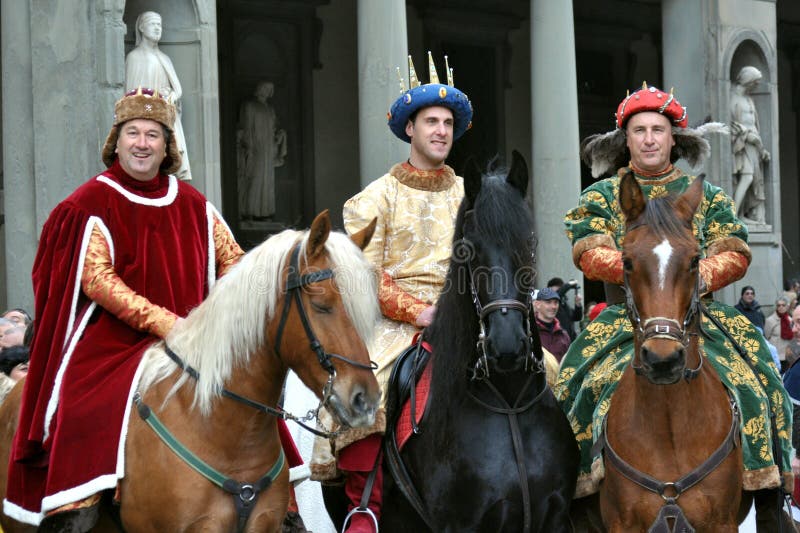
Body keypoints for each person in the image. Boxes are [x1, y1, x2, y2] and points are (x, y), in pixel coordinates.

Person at [2, 88, 304, 531]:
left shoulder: (195, 205)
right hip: (112, 342)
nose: (142, 143)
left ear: (167, 146)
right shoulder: (88, 203)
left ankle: (283, 506)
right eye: (133, 133)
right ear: (117, 141)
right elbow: (99, 280)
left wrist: (244, 303)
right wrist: (168, 324)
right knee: (86, 405)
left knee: (247, 400)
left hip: (193, 340)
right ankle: (80, 503)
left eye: (152, 135)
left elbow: (235, 266)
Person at [557, 83, 792, 521]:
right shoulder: (601, 196)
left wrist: (689, 276)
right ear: (626, 140)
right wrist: (647, 270)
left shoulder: (708, 195)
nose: (649, 139)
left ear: (673, 138)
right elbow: (588, 252)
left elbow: (735, 251)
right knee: (574, 385)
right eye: (640, 130)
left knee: (759, 382)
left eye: (658, 130)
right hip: (626, 317)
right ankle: (575, 497)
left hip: (697, 313)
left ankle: (770, 492)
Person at [315, 53, 472, 533]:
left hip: (466, 315)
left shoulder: (470, 194)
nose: (441, 131)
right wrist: (419, 312)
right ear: (410, 129)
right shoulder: (374, 197)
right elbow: (365, 274)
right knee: (366, 389)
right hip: (397, 323)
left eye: (448, 123)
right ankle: (364, 506)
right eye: (431, 122)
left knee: (541, 370)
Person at [125, 11, 191, 181]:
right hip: (147, 116)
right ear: (141, 27)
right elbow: (131, 97)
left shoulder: (164, 58)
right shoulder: (134, 58)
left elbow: (177, 89)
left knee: (168, 159)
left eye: (159, 25)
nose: (157, 28)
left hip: (166, 115)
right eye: (153, 24)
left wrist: (173, 97)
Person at [237, 80, 287, 220]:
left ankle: (265, 212)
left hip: (268, 148)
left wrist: (279, 135)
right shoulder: (249, 106)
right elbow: (246, 126)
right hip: (255, 147)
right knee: (254, 178)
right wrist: (248, 146)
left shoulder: (270, 109)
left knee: (267, 182)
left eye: (270, 89)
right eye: (265, 88)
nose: (267, 91)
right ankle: (249, 211)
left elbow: (274, 127)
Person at [730, 66, 770, 225]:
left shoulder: (748, 99)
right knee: (747, 176)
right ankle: (732, 217)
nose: (757, 85)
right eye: (755, 82)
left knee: (752, 179)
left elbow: (754, 123)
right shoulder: (732, 98)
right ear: (748, 81)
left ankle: (740, 215)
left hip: (753, 144)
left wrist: (761, 147)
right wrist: (746, 135)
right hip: (742, 143)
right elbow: (732, 124)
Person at [533, 287, 571, 361]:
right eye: (548, 302)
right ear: (537, 304)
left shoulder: (564, 335)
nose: (553, 306)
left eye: (556, 302)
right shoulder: (529, 332)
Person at [765, 296, 794, 372]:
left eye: (783, 305)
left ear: (787, 306)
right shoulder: (770, 320)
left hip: (786, 356)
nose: (781, 307)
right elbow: (767, 336)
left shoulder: (790, 320)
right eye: (778, 305)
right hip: (775, 355)